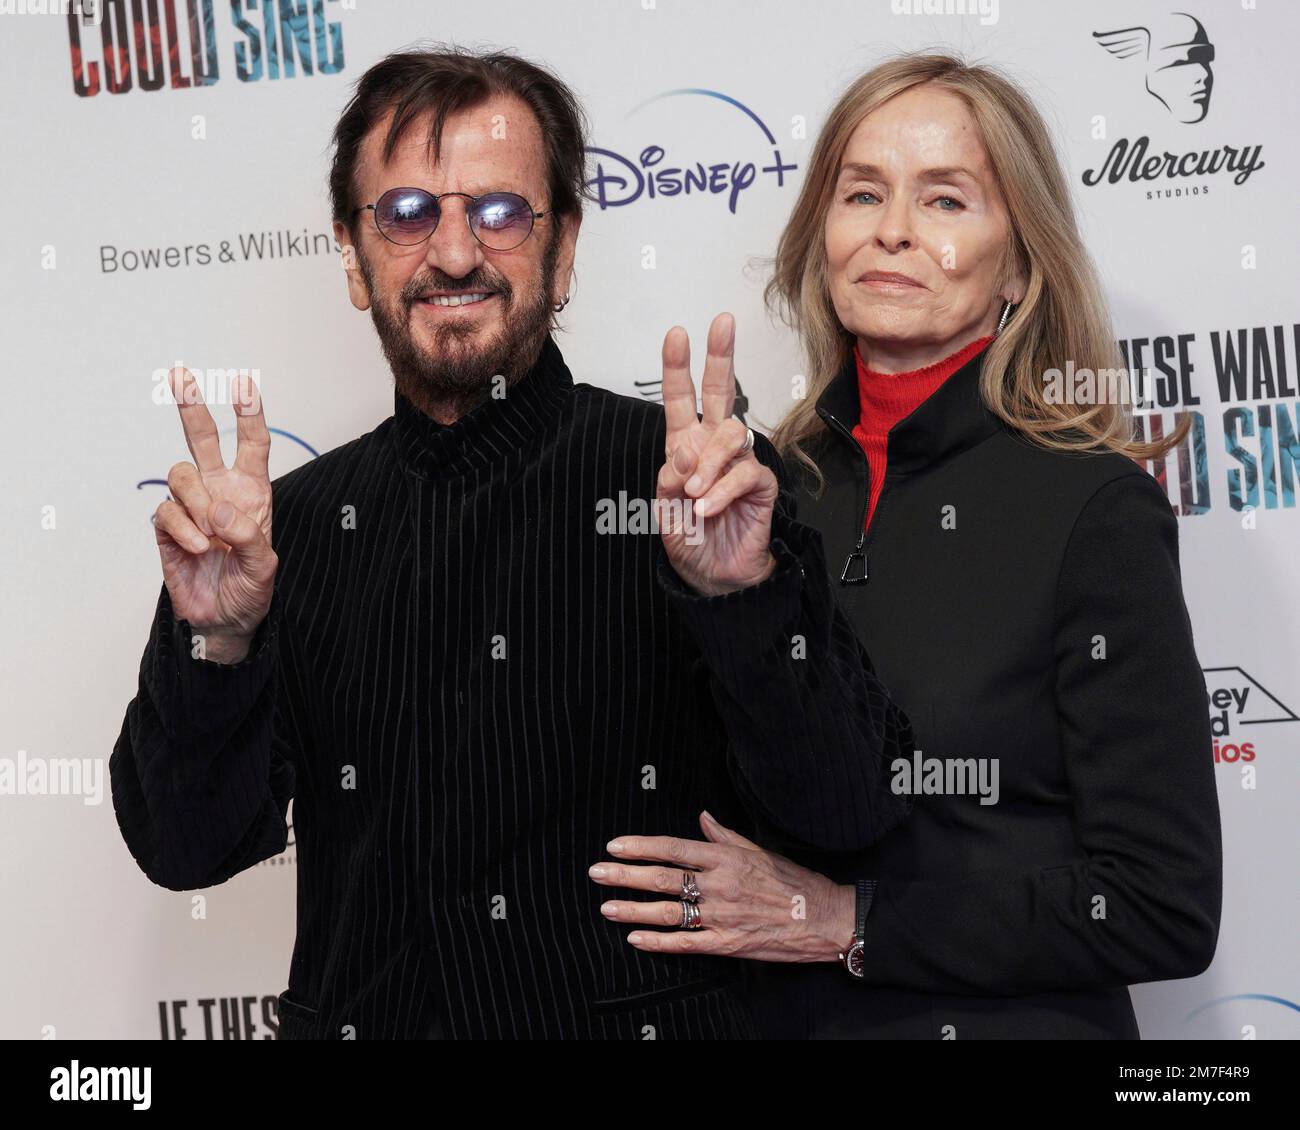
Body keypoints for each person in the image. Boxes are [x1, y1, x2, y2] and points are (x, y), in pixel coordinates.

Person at [108, 46, 914, 1040]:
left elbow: (851, 811)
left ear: (563, 247)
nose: (453, 253)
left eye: (498, 211)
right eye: (407, 213)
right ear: (354, 259)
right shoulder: (282, 532)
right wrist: (216, 644)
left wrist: (741, 595)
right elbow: (185, 847)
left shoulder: (697, 485)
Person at [589, 52, 1222, 1039]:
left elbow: (1159, 902)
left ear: (1019, 261)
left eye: (944, 200)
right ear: (821, 235)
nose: (892, 229)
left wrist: (850, 919)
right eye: (862, 193)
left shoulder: (1092, 508)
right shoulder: (755, 496)